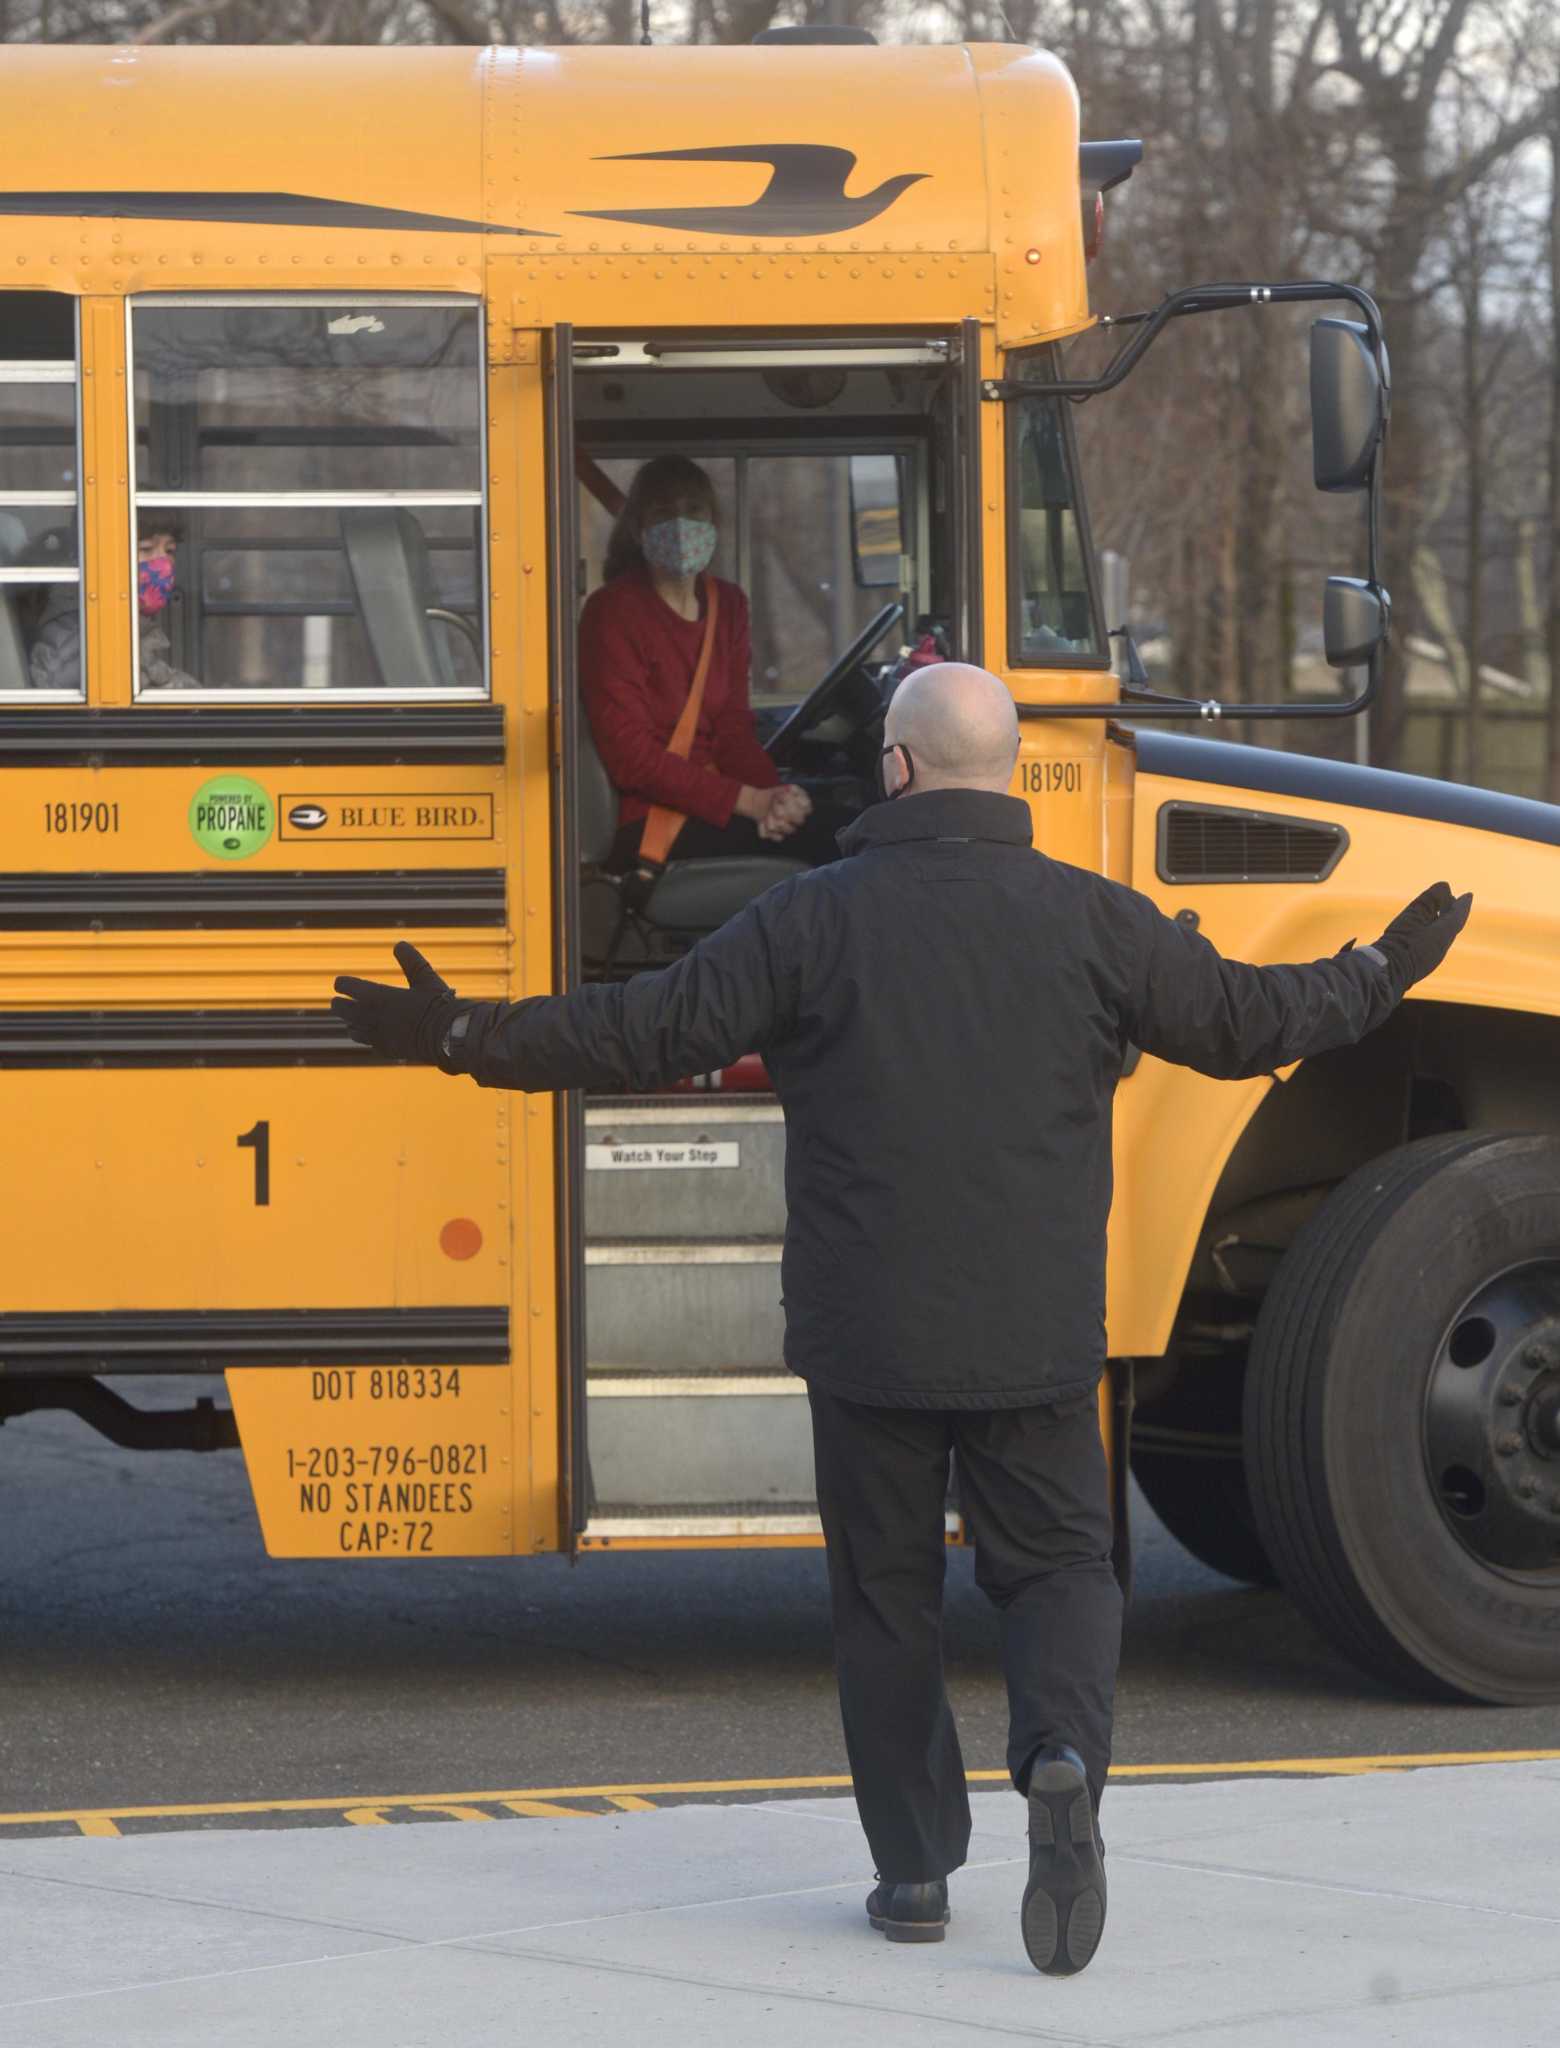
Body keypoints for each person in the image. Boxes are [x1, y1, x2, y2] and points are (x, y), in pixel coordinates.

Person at [332, 663, 1471, 1977]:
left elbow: (638, 1033)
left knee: (885, 1600)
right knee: (1054, 1570)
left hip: (863, 1331)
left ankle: (916, 1870)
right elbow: (1247, 1022)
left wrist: (462, 1030)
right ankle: (1057, 1758)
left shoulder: (810, 918)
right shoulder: (1093, 920)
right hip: (1032, 1331)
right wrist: (1384, 966)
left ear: (898, 769)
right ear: (1006, 776)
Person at [580, 454, 839, 870]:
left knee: (845, 820)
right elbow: (631, 758)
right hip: (654, 821)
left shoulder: (729, 604)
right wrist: (750, 801)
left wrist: (775, 799)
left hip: (724, 801)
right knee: (836, 841)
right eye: (664, 512)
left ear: (713, 521)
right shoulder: (612, 612)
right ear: (637, 527)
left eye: (694, 510)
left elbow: (733, 729)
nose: (681, 525)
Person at [25, 514, 199, 690]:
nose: (163, 564)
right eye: (145, 549)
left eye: (169, 550)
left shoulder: (128, 622)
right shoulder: (79, 633)